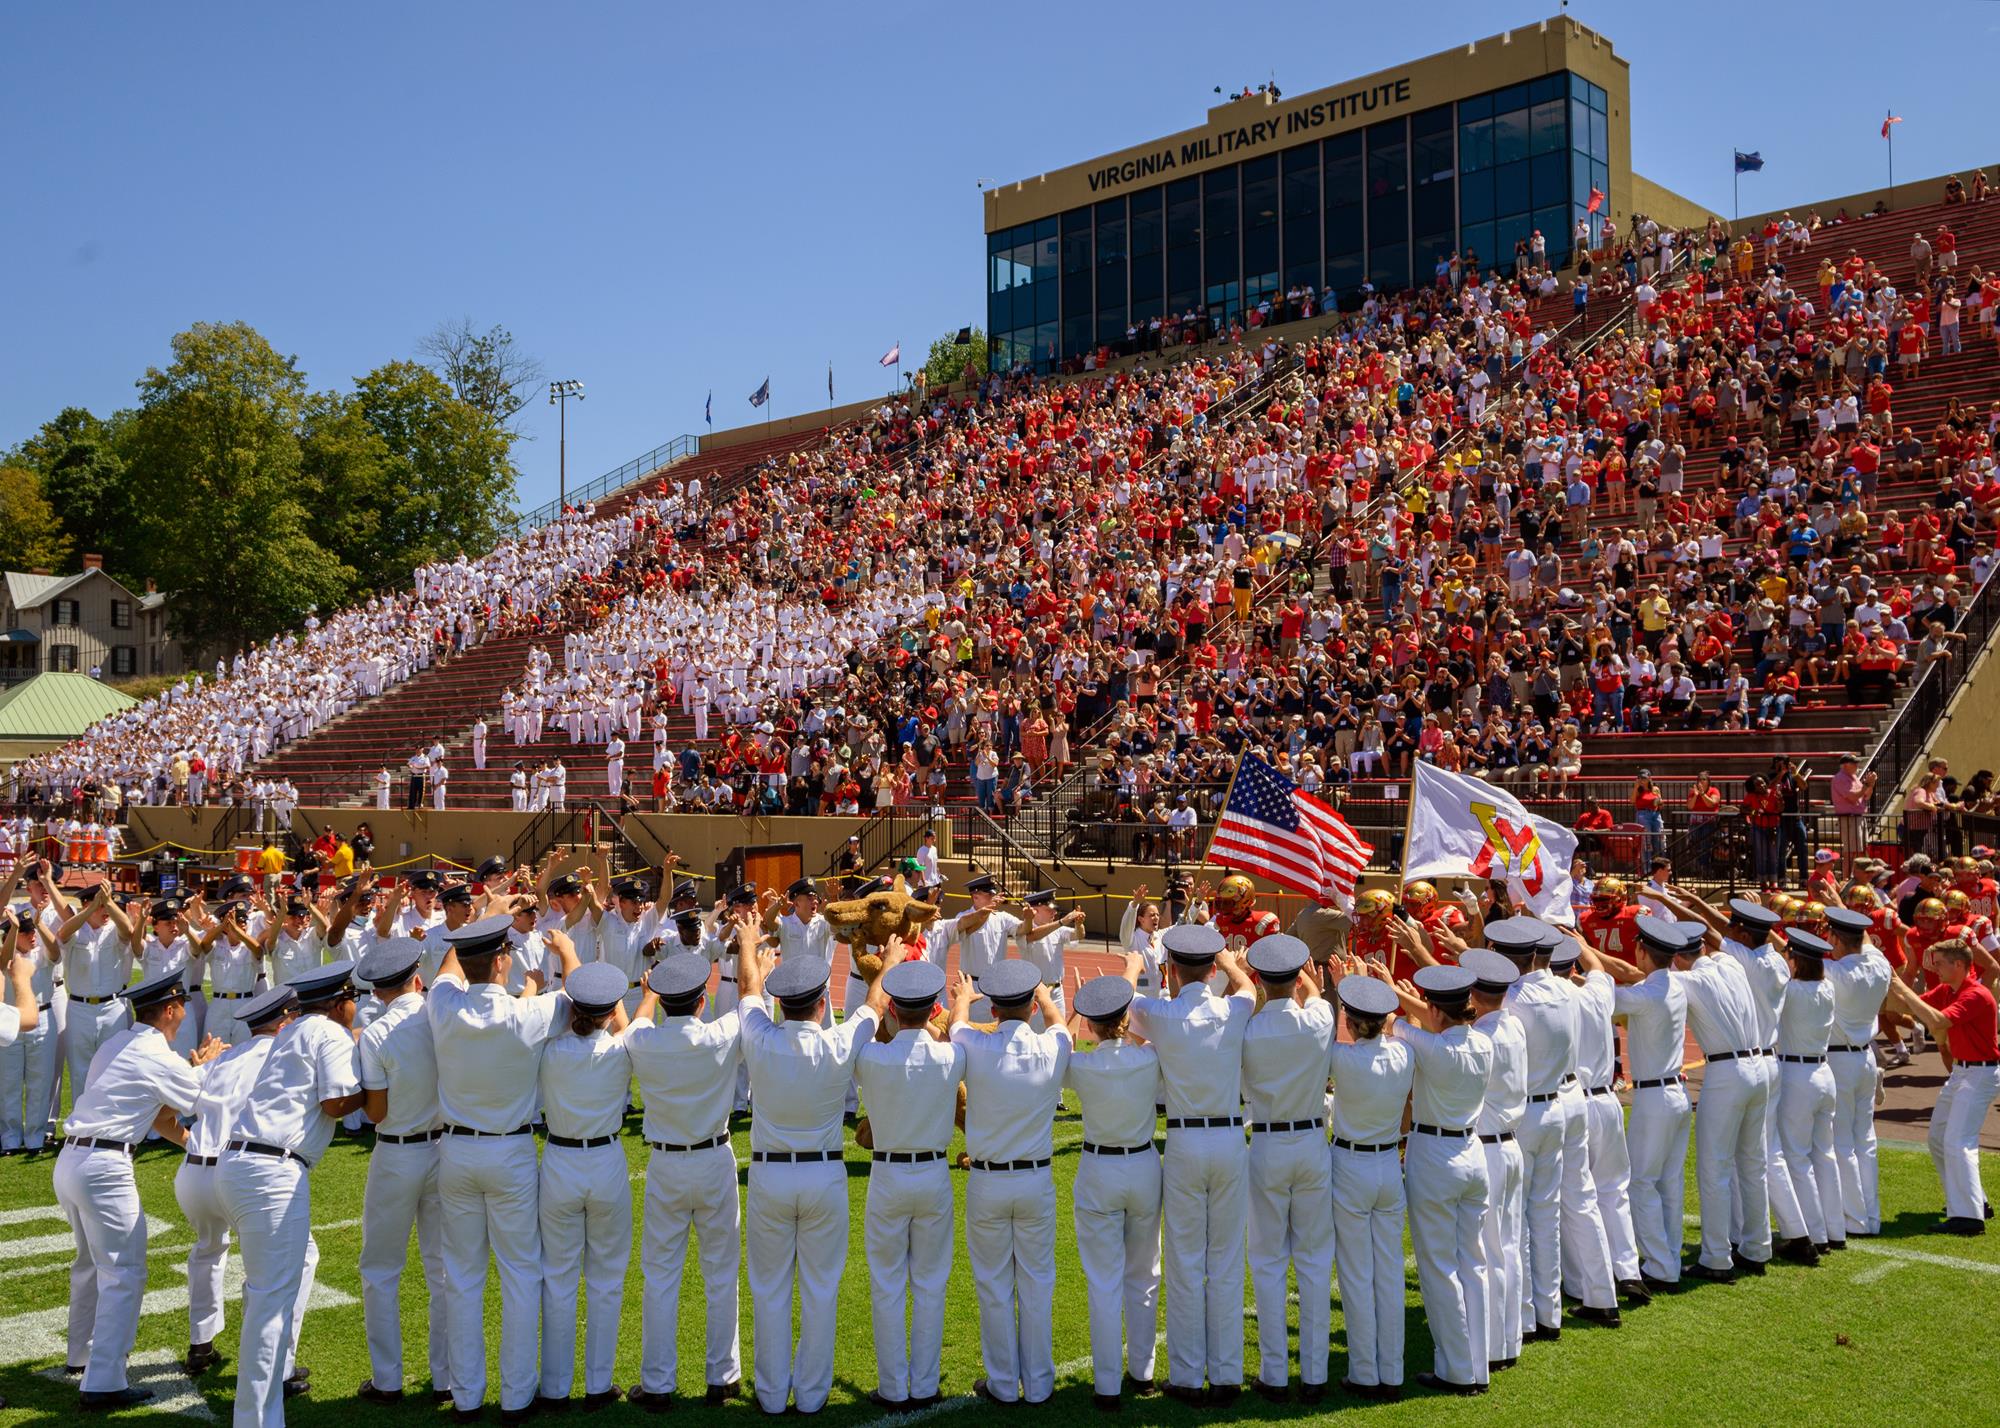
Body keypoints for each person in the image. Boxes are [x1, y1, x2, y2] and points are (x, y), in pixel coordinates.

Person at [736, 922, 902, 1415]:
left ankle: (771, 1395)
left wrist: (749, 947)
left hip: (769, 1175)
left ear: (781, 1004)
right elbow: (874, 1007)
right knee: (820, 1290)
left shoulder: (760, 1037)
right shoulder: (838, 1042)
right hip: (823, 1176)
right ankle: (810, 1396)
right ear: (823, 1004)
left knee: (769, 1288)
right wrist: (890, 964)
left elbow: (747, 991)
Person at [429, 913, 581, 1421]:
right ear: (500, 962)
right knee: (520, 1274)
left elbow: (449, 971)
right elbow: (580, 996)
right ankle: (516, 1396)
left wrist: (478, 918)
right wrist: (566, 951)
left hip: (456, 1150)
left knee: (463, 1276)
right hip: (510, 1151)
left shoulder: (444, 1004)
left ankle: (467, 1396)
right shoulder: (526, 1012)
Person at [54, 968, 222, 1407]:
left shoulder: (116, 1043)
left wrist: (193, 1073)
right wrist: (205, 1065)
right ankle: (104, 1382)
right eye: (182, 1006)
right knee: (124, 1273)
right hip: (104, 1167)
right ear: (171, 1010)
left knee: (90, 1264)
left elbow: (156, 1105)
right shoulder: (155, 1054)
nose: (185, 1013)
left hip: (72, 1160)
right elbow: (200, 1098)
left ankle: (80, 1356)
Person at [216, 960, 365, 1428]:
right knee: (271, 1303)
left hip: (242, 1164)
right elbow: (335, 1103)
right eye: (352, 999)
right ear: (339, 1003)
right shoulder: (330, 1033)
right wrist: (377, 1087)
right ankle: (256, 1420)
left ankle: (263, 1402)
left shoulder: (292, 1031)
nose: (355, 1007)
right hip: (271, 1170)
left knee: (278, 1282)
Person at [1125, 923, 1255, 1406]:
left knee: (1184, 1260)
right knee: (1225, 1260)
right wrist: (1226, 959)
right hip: (1229, 1139)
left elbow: (1122, 1003)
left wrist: (1133, 967)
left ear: (1173, 970)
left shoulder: (1159, 1012)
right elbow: (1247, 987)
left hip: (1184, 1141)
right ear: (1210, 971)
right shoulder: (1233, 1009)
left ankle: (1185, 1375)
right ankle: (1225, 1375)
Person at [623, 947, 746, 1410]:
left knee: (660, 1276)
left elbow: (635, 1024)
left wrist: (649, 995)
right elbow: (751, 1001)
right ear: (701, 1001)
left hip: (667, 1164)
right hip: (714, 1159)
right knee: (721, 1272)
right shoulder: (720, 1034)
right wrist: (752, 952)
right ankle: (723, 1376)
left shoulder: (645, 1041)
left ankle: (657, 1383)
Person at [950, 957, 1070, 1406]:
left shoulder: (976, 1045)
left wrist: (964, 999)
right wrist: (1043, 995)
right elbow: (1060, 1026)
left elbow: (956, 1025)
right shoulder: (1051, 1046)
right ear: (1032, 1008)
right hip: (1035, 1179)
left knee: (994, 1284)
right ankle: (1038, 1383)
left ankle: (1002, 1383)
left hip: (989, 1181)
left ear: (994, 1010)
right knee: (1037, 1283)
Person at [174, 986, 299, 1381]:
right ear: (286, 1022)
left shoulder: (223, 1058)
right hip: (240, 1171)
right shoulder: (285, 1056)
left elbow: (172, 1109)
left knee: (207, 1252)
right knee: (291, 1258)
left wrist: (191, 1139)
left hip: (194, 1170)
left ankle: (201, 1345)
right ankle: (274, 1359)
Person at [854, 959, 964, 1409]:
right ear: (933, 1008)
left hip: (887, 1174)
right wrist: (952, 1011)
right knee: (931, 1283)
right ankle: (924, 1384)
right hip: (933, 1174)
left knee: (887, 1284)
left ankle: (893, 1387)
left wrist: (882, 979)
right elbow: (956, 1037)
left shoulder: (871, 1056)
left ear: (894, 1011)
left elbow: (863, 1023)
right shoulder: (951, 1055)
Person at [1384, 963, 1493, 1395]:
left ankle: (1457, 1369)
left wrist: (1386, 988)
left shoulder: (1432, 1047)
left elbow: (1390, 1022)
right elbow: (1426, 1022)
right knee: (1474, 1262)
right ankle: (1478, 1364)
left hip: (1435, 1156)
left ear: (1434, 1010)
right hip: (1473, 1154)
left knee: (1438, 1267)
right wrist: (1404, 995)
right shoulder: (1483, 1042)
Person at [1238, 934, 1336, 1401]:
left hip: (1269, 1143)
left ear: (1259, 980)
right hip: (1312, 1142)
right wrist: (1310, 984)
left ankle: (1274, 1374)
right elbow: (1317, 998)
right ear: (1298, 978)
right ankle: (1314, 1374)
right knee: (1315, 1262)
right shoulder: (1319, 1018)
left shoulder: (1249, 1030)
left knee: (1268, 1261)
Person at [354, 938, 452, 1405]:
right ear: (417, 979)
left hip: (396, 1152)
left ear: (377, 992)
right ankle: (446, 1378)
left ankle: (387, 1380)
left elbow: (376, 1112)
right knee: (444, 1269)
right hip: (444, 1148)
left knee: (380, 1269)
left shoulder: (375, 1035)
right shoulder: (440, 1015)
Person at [534, 962, 634, 1410]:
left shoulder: (549, 1050)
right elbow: (629, 1027)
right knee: (606, 1278)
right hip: (605, 1161)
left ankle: (555, 1389)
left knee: (557, 1278)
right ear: (610, 1013)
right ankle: (598, 1385)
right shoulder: (620, 1049)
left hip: (560, 1160)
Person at [1063, 974, 1162, 1411]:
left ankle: (1107, 1385)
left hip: (1100, 1169)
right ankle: (1143, 1373)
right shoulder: (1148, 1058)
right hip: (1142, 1166)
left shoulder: (1082, 1066)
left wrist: (1075, 1009)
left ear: (1092, 1025)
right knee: (1144, 1275)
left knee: (1104, 1281)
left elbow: (1061, 1046)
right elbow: (1147, 1039)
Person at [1675, 897, 1777, 1279]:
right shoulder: (1729, 963)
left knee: (1715, 1167)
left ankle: (1717, 1257)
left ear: (1678, 957)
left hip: (1726, 1073)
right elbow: (1720, 943)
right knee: (1752, 1163)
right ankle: (1757, 1248)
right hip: (1757, 1068)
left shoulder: (1687, 980)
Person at [1324, 967, 1411, 1399]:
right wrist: (1365, 988)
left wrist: (1345, 986)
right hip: (1388, 1165)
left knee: (1357, 1274)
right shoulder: (1403, 1054)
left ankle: (1364, 1371)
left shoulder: (1342, 1058)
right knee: (1389, 1271)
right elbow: (1399, 1028)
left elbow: (1319, 1034)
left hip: (1351, 1164)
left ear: (1351, 1022)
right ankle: (1391, 1371)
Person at [1884, 938, 1998, 1233]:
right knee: (1938, 1138)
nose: (1935, 969)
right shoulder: (1949, 990)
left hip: (1980, 1074)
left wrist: (1902, 989)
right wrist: (1890, 985)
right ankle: (1973, 1202)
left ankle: (1969, 1217)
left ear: (1959, 964)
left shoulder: (1975, 994)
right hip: (1962, 1072)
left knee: (1959, 1141)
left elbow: (1937, 1022)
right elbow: (1905, 1006)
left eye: (1941, 964)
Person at [1459, 948, 1526, 1374]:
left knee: (1484, 1251)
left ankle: (1487, 1347)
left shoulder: (1481, 1037)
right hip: (1511, 1145)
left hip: (1487, 1149)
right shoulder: (1513, 1024)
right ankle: (1507, 1341)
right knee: (1508, 1248)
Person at [1822, 905, 1893, 1237]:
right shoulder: (1879, 964)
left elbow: (1793, 955)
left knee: (1842, 1142)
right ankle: (1870, 1215)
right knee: (1866, 1140)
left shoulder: (1834, 972)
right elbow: (1862, 940)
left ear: (1836, 939)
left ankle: (1854, 1219)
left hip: (1839, 1061)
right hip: (1866, 1058)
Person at [1771, 929, 1843, 1255]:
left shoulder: (1792, 991)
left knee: (1796, 1158)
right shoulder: (1827, 988)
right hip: (1824, 1073)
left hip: (1796, 1074)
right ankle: (1834, 1230)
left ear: (1796, 960)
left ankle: (1815, 1234)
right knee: (1824, 1155)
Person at [57, 882, 141, 1103]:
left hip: (112, 1008)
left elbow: (128, 931)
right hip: (79, 1009)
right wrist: (92, 907)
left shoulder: (114, 929)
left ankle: (110, 1121)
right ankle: (81, 1121)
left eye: (108, 905)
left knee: (113, 1069)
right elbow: (63, 933)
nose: (106, 911)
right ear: (87, 906)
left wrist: (108, 903)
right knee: (80, 1071)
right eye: (101, 906)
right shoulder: (76, 930)